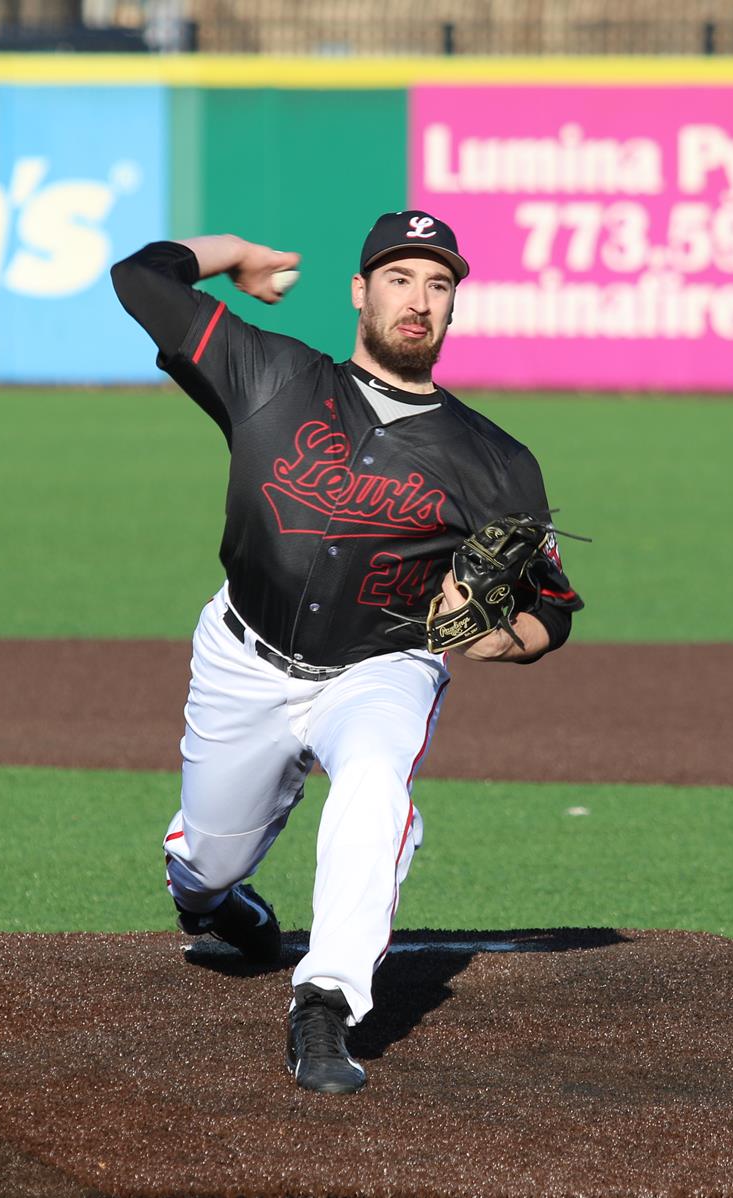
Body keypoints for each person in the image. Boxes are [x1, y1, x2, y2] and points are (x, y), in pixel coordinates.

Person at [111, 210, 583, 1094]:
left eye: (440, 285)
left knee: (376, 781)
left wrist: (498, 637)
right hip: (241, 659)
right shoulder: (271, 375)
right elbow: (140, 279)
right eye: (400, 279)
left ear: (453, 308)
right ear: (360, 293)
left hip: (382, 666)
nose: (421, 300)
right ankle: (215, 897)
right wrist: (237, 255)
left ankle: (324, 1002)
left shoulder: (497, 463)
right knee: (207, 861)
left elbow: (551, 613)